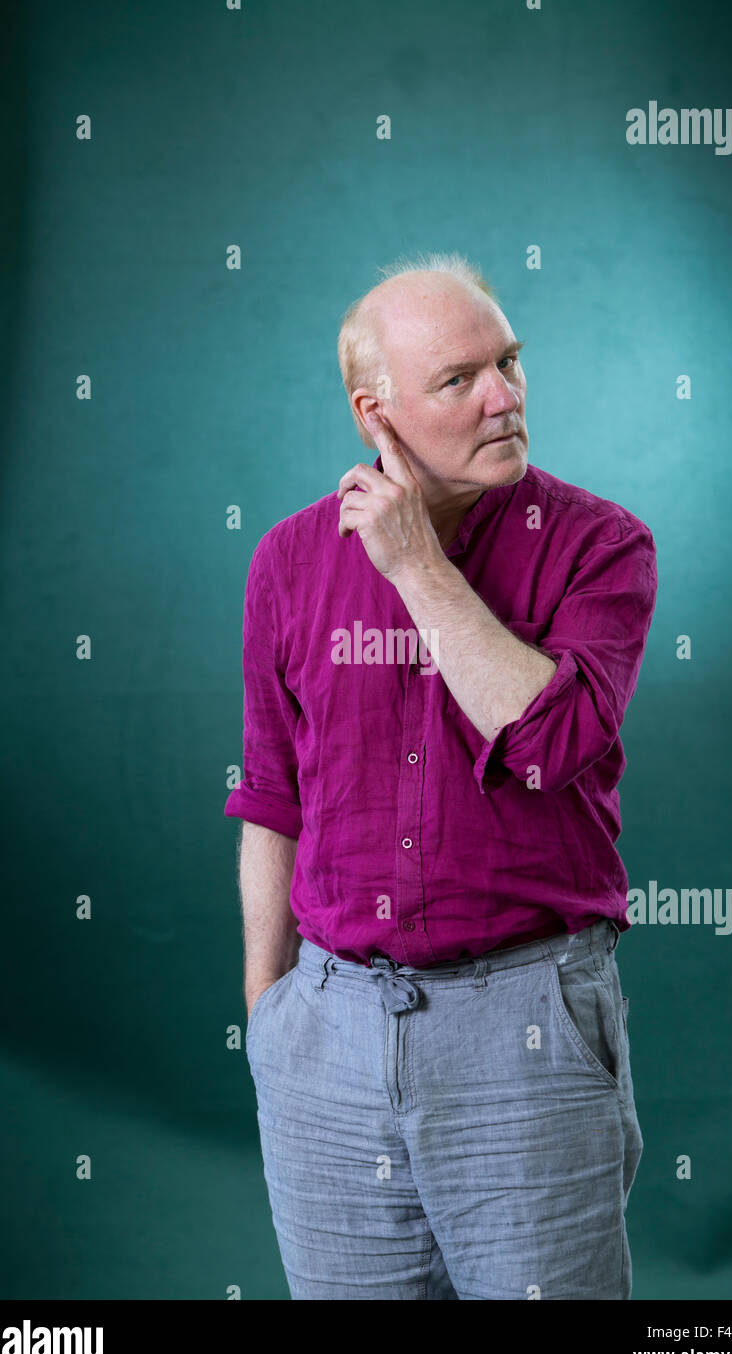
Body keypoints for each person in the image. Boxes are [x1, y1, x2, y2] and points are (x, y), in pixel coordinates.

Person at [225, 251, 658, 1300]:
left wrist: (415, 564)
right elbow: (272, 799)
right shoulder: (287, 561)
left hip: (523, 1030)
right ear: (376, 414)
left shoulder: (601, 547)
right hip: (324, 1032)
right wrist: (269, 1016)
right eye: (458, 379)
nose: (504, 396)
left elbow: (547, 740)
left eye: (507, 361)